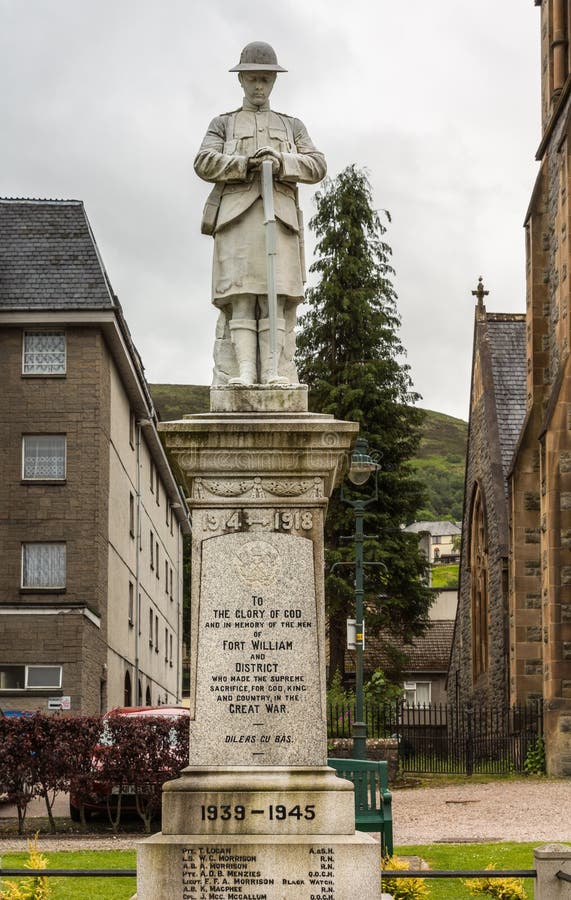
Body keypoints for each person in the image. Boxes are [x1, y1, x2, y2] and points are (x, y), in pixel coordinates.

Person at [194, 41, 326, 385]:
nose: (258, 86)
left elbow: (317, 165)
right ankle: (243, 373)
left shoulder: (291, 126)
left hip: (279, 220)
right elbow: (203, 161)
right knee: (241, 297)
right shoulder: (222, 124)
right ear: (241, 80)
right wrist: (243, 164)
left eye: (265, 79)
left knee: (276, 300)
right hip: (237, 218)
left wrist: (283, 162)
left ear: (273, 82)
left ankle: (273, 371)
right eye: (252, 78)